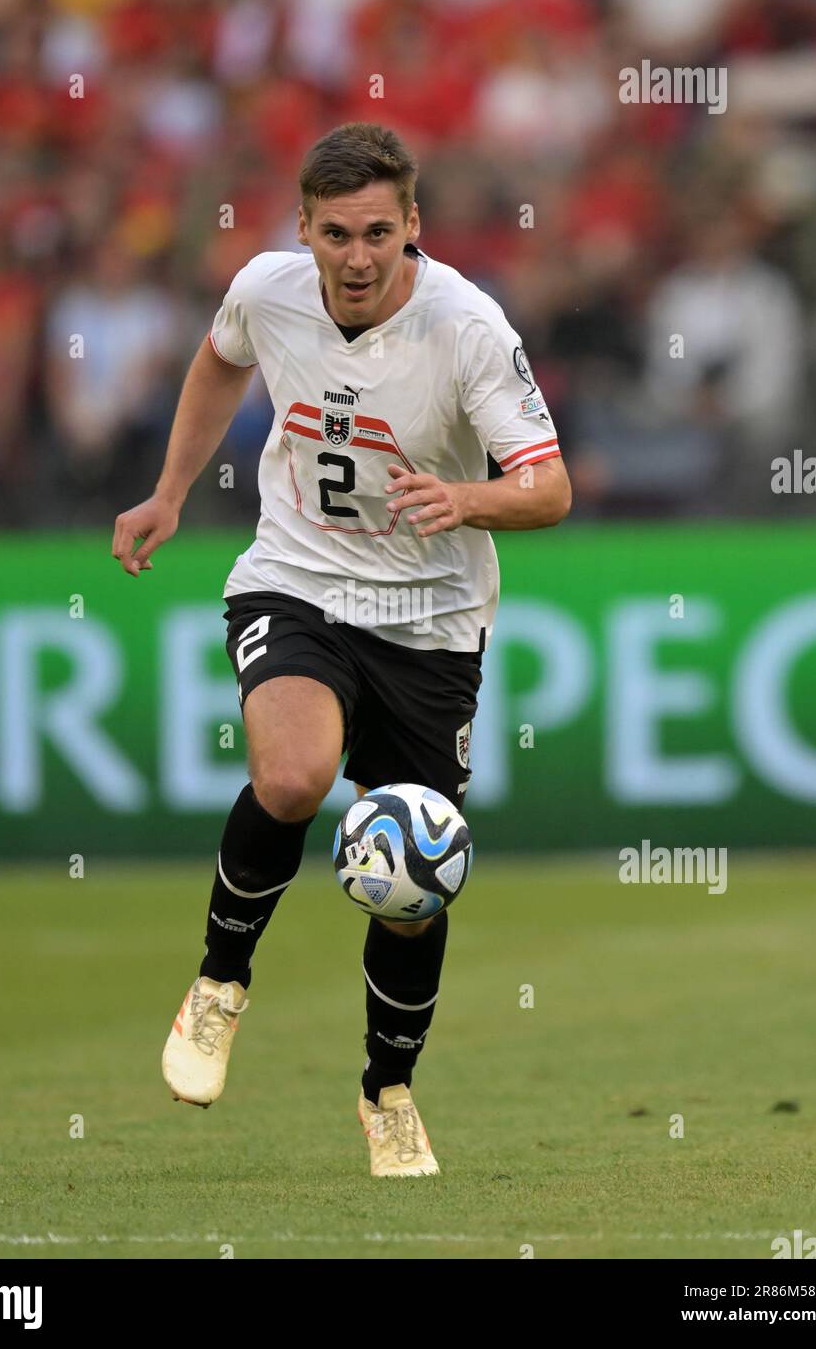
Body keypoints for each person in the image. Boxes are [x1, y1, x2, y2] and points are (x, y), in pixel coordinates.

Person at [112, 122, 571, 1176]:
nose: (358, 257)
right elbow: (218, 361)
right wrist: (171, 492)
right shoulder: (269, 290)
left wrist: (465, 497)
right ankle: (221, 982)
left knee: (414, 881)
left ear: (413, 226)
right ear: (304, 231)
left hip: (431, 627)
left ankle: (387, 1088)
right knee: (293, 774)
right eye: (335, 234)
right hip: (299, 583)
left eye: (378, 232)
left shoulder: (469, 330)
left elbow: (550, 487)